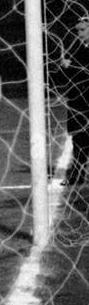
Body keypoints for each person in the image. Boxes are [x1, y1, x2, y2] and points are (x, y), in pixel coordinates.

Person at [57, 11, 89, 188]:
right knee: (79, 139)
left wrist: (72, 66)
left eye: (83, 30)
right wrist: (65, 66)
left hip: (85, 100)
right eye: (78, 30)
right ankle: (77, 175)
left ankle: (78, 174)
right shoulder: (79, 49)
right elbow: (69, 76)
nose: (80, 33)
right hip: (79, 101)